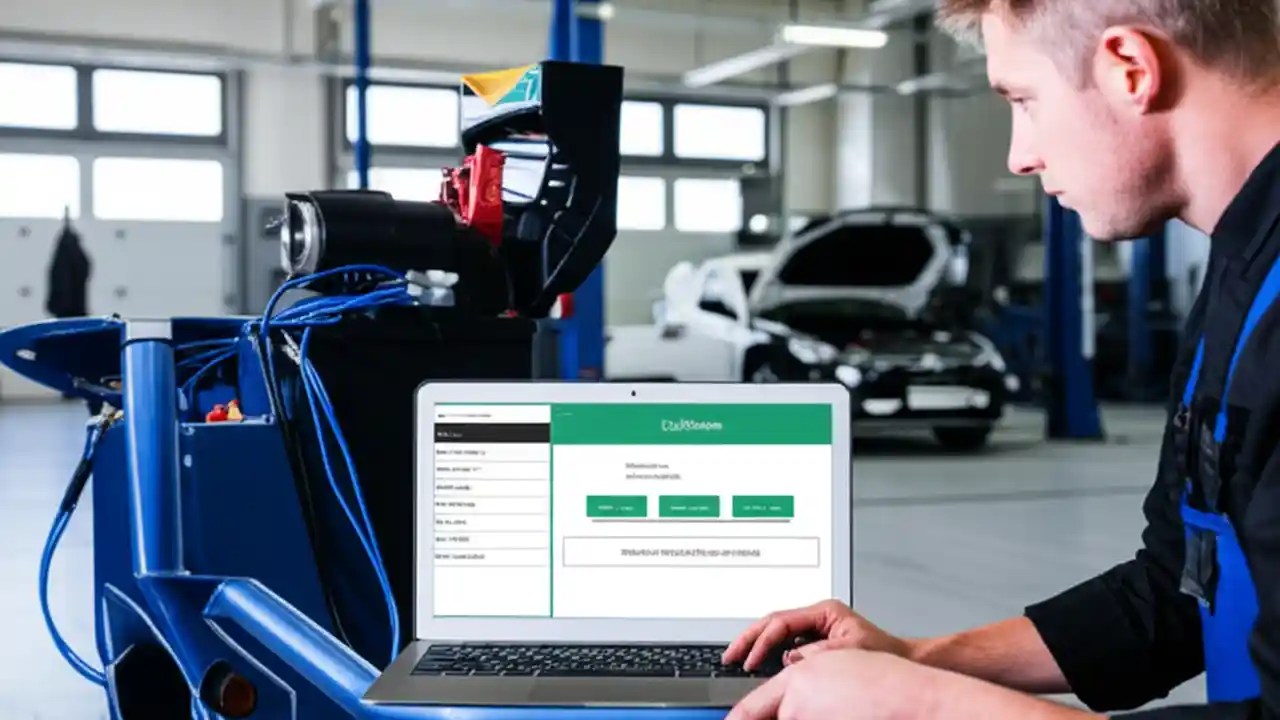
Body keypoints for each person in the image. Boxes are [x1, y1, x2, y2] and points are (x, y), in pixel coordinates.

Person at [721, 1, 1280, 718]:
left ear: (1130, 70)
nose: (1019, 155)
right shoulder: (1243, 272)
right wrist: (916, 657)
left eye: (1024, 100)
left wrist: (927, 706)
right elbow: (1180, 584)